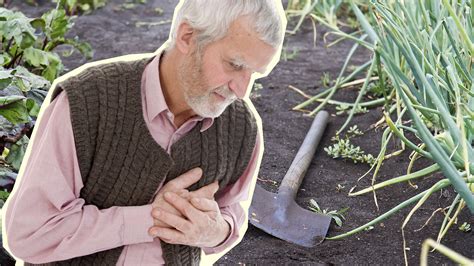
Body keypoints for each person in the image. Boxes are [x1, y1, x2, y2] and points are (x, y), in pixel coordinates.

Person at [2, 0, 286, 265]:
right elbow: (29, 234)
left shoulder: (242, 127)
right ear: (188, 36)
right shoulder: (87, 102)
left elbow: (231, 215)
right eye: (234, 65)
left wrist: (213, 231)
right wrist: (151, 219)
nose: (242, 90)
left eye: (255, 74)